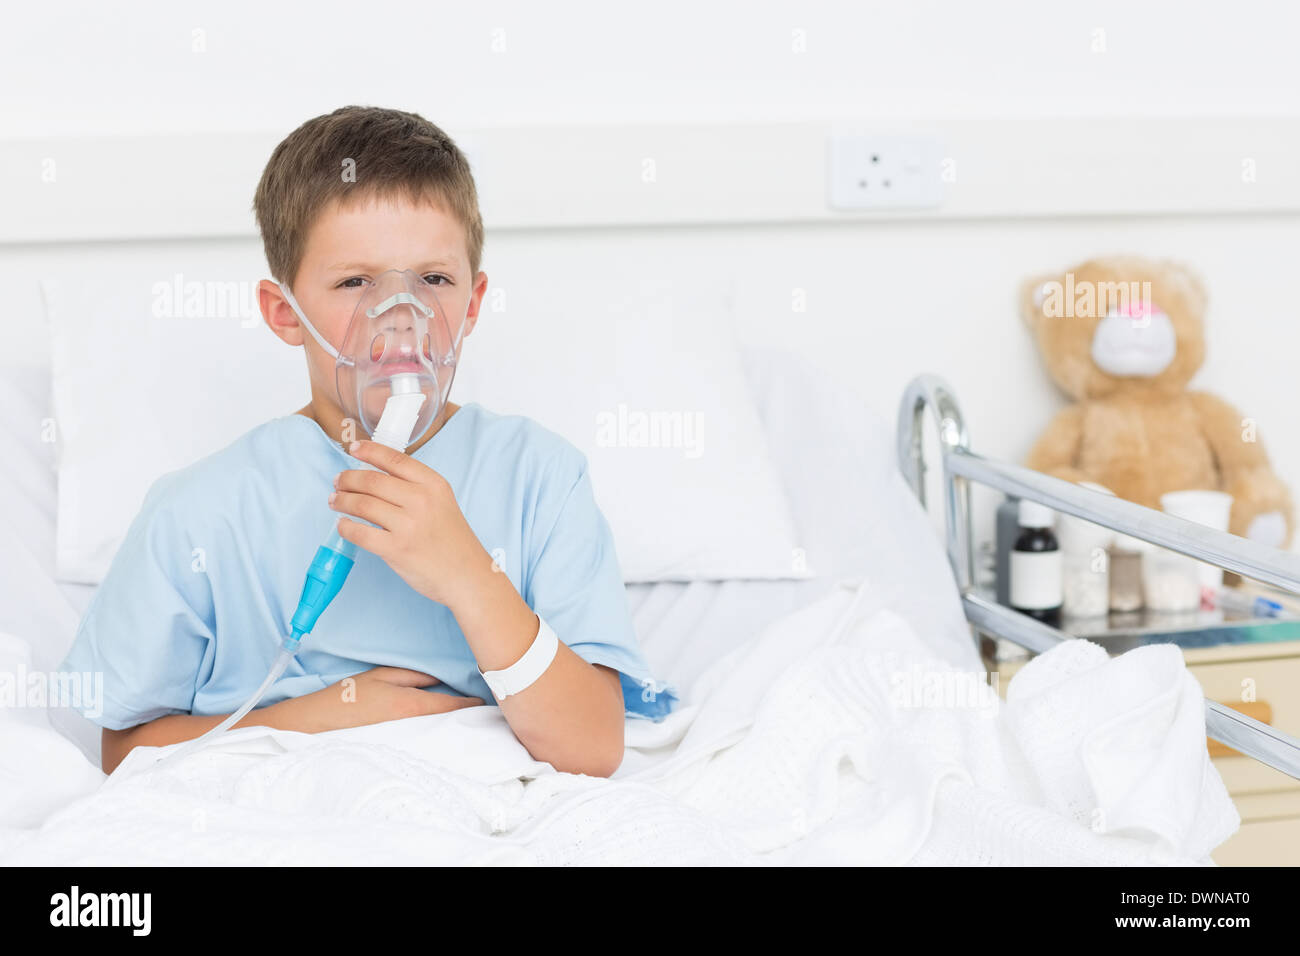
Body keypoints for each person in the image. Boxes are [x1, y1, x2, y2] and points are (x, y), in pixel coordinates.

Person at [59, 105, 675, 777]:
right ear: (283, 314)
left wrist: (469, 575)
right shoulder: (200, 512)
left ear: (471, 304)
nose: (400, 319)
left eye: (433, 280)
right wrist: (320, 717)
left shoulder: (540, 479)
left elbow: (592, 746)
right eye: (356, 283)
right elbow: (124, 754)